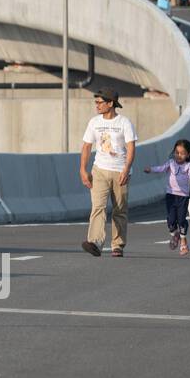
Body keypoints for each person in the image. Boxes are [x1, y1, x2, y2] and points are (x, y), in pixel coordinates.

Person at [79, 88, 137, 257]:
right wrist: (83, 169)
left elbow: (131, 147)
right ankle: (95, 242)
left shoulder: (124, 122)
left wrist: (126, 168)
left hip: (120, 170)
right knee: (98, 206)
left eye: (99, 102)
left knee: (119, 209)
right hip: (99, 170)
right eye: (95, 102)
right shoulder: (94, 122)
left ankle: (117, 245)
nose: (96, 105)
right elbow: (87, 146)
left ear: (110, 103)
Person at [144, 140, 190, 255]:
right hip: (171, 196)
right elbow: (161, 168)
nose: (179, 155)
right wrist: (151, 170)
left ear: (188, 154)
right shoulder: (170, 163)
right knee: (171, 221)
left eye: (182, 153)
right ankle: (175, 234)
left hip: (183, 197)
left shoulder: (188, 166)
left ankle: (183, 243)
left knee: (181, 219)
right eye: (177, 152)